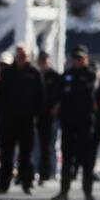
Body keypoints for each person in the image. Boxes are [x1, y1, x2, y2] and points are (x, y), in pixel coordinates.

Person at [0, 44, 46, 195]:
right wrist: (1, 113)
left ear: (28, 57)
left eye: (23, 56)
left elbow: (40, 97)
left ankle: (27, 183)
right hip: (8, 119)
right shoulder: (8, 73)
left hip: (27, 120)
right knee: (6, 154)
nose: (21, 58)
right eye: (19, 56)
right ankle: (3, 184)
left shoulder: (34, 73)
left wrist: (36, 115)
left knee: (26, 154)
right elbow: (0, 95)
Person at [52, 45, 100, 200]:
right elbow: (60, 95)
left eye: (81, 58)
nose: (78, 61)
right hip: (68, 122)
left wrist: (72, 90)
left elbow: (89, 92)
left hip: (85, 123)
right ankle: (64, 191)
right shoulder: (67, 75)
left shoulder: (91, 75)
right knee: (67, 158)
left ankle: (88, 192)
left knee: (86, 159)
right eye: (76, 58)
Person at [35, 49, 62, 186]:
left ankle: (51, 171)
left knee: (50, 145)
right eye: (41, 60)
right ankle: (38, 171)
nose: (43, 63)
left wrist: (56, 108)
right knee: (38, 145)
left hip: (51, 117)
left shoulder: (55, 76)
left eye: (45, 60)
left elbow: (60, 95)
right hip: (38, 116)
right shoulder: (35, 75)